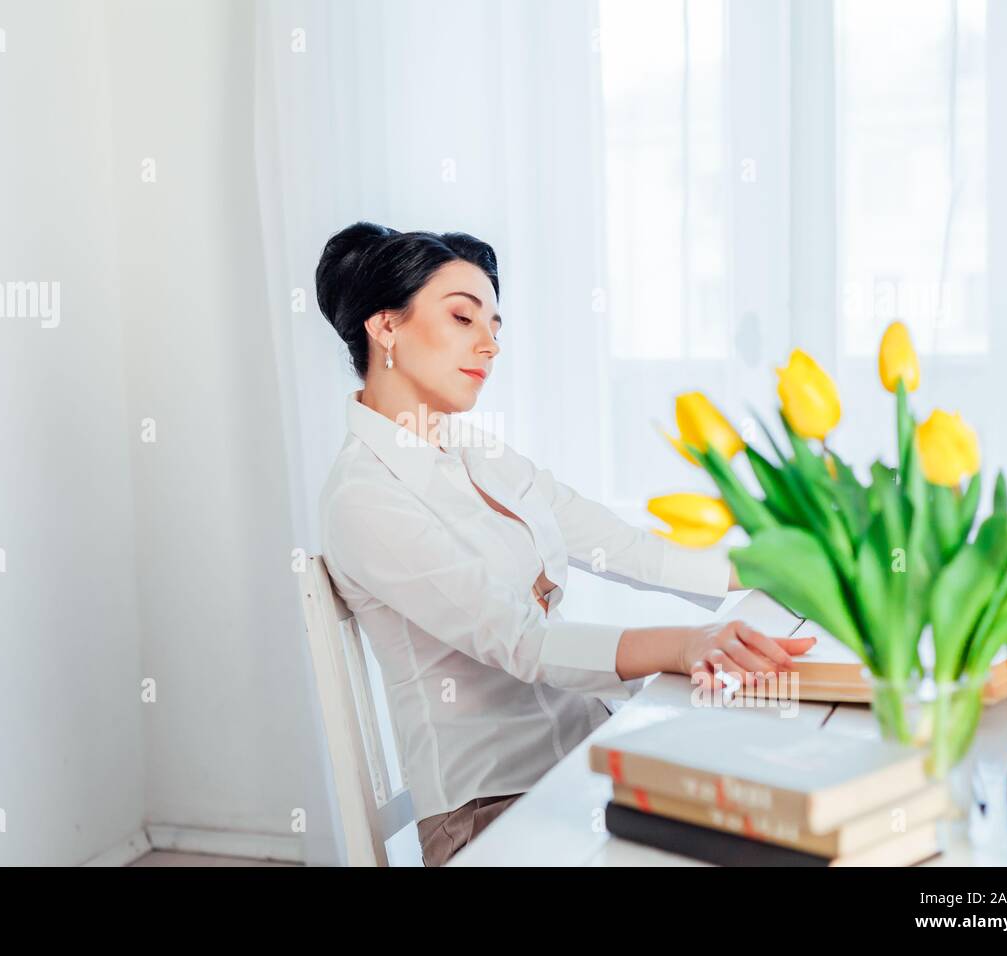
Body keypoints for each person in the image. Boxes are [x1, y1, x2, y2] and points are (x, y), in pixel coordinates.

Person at [314, 221, 815, 866]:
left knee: (776, 809)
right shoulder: (365, 496)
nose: (490, 345)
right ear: (386, 327)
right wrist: (687, 646)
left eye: (496, 325)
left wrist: (778, 566)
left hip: (584, 756)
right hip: (491, 808)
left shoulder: (478, 453)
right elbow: (524, 640)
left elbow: (625, 546)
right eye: (464, 318)